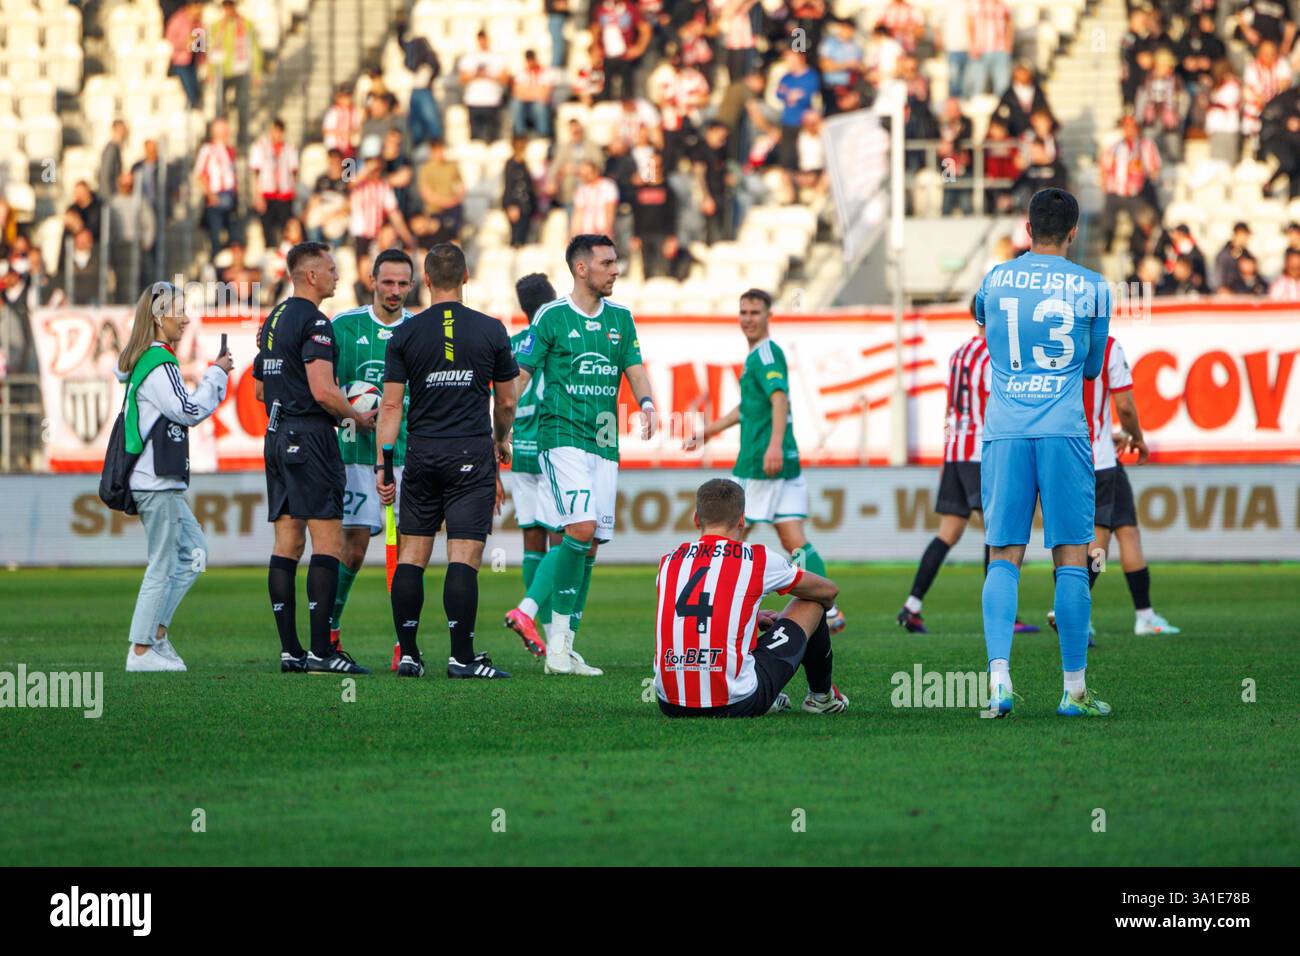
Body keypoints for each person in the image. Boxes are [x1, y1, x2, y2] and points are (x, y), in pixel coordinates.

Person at [975, 187, 1111, 718]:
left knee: (1003, 556)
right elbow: (1095, 366)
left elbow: (987, 331)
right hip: (1062, 431)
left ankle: (998, 683)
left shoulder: (996, 277)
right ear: (1074, 232)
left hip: (1005, 430)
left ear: (1027, 229)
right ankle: (1074, 691)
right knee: (1072, 557)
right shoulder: (1094, 287)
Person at [503, 234, 657, 675]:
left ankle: (563, 646)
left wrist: (646, 403)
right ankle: (530, 612)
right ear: (582, 268)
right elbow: (521, 376)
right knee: (580, 527)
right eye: (608, 263)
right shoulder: (551, 317)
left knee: (589, 548)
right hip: (561, 438)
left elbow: (636, 370)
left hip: (604, 443)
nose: (616, 270)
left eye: (616, 262)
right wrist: (503, 421)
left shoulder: (622, 319)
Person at [375, 244, 519, 679]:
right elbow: (508, 400)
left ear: (426, 279)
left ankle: (411, 655)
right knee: (463, 558)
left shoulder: (405, 334)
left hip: (421, 453)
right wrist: (500, 439)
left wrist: (385, 463)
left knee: (412, 557)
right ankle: (462, 658)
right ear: (467, 277)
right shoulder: (491, 329)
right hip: (470, 454)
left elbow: (391, 407)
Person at [683, 288, 846, 633]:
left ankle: (712, 608)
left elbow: (778, 398)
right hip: (784, 462)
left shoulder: (766, 355)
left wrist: (772, 444)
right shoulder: (757, 357)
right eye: (743, 312)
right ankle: (828, 611)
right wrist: (709, 431)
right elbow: (748, 408)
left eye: (755, 312)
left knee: (725, 536)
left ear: (769, 316)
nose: (748, 319)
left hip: (760, 461)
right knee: (794, 540)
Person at [254, 242, 377, 674]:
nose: (337, 276)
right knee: (327, 544)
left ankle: (291, 651)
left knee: (287, 543)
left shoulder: (273, 320)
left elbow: (257, 390)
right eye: (330, 269)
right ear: (310, 275)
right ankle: (324, 652)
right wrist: (358, 417)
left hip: (275, 433)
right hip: (310, 437)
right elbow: (324, 391)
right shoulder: (316, 323)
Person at [897, 300, 1038, 636]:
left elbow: (954, 405)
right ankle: (1003, 615)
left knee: (949, 531)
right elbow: (999, 406)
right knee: (1000, 529)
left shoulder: (959, 353)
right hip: (980, 453)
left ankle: (912, 606)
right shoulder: (995, 356)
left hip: (956, 451)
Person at [653, 478, 848, 717]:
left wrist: (751, 619)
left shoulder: (669, 560)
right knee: (811, 600)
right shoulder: (756, 557)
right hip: (737, 702)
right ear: (742, 520)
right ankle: (821, 698)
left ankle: (769, 695)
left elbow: (693, 613)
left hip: (670, 703)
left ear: (696, 519)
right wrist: (826, 609)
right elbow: (828, 590)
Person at [116, 282, 232, 671]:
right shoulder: (158, 362)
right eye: (177, 311)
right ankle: (141, 649)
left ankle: (156, 636)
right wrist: (217, 375)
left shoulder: (153, 359)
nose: (184, 318)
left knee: (195, 555)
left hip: (159, 480)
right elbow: (186, 410)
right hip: (155, 479)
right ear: (157, 317)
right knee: (163, 564)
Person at [1046, 335, 1180, 641]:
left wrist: (1113, 434)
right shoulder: (1107, 346)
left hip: (1065, 454)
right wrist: (1137, 436)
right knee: (1098, 547)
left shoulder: (1051, 342)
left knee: (1126, 528)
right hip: (1097, 459)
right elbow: (1126, 406)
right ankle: (1067, 610)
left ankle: (1144, 616)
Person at [325, 248, 416, 654]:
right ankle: (330, 626)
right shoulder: (343, 326)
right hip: (353, 453)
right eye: (388, 282)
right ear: (372, 281)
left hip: (409, 453)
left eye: (402, 283)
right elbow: (320, 383)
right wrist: (351, 407)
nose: (394, 291)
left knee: (411, 551)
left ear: (412, 285)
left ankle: (404, 643)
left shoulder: (419, 328)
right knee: (355, 548)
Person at [505, 272, 560, 659]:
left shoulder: (511, 344)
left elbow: (504, 398)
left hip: (518, 449)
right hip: (551, 446)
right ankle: (550, 624)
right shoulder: (556, 335)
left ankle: (535, 623)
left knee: (532, 538)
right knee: (568, 539)